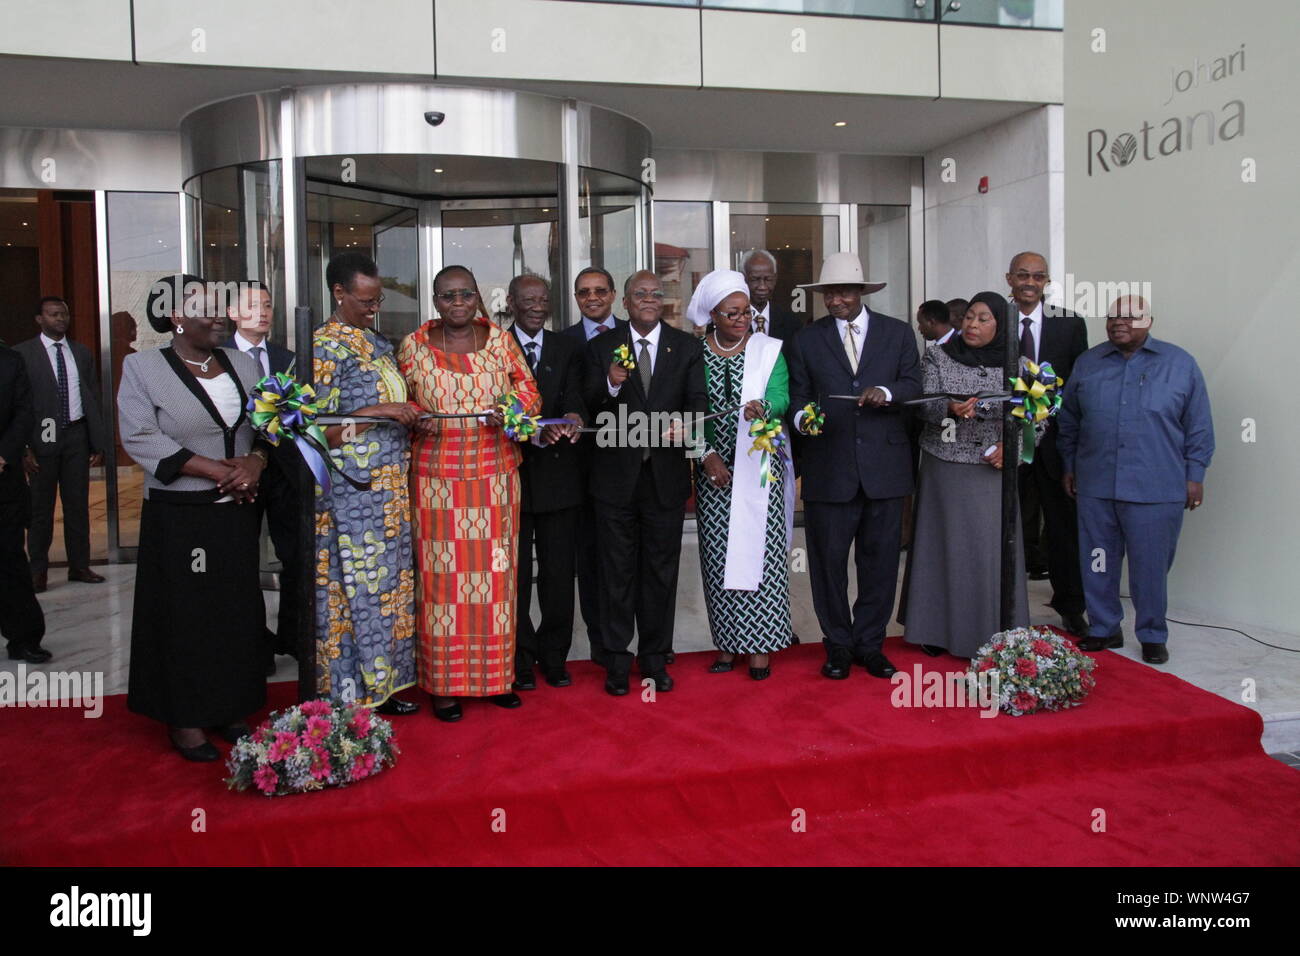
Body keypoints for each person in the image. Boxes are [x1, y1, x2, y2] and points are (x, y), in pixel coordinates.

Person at [117, 275, 268, 761]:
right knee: (186, 616)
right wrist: (216, 471)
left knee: (233, 609)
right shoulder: (142, 368)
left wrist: (256, 462)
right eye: (206, 308)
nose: (220, 317)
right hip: (181, 517)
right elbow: (140, 436)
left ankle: (228, 705)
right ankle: (185, 719)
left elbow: (273, 424)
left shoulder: (244, 365)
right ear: (176, 316)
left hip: (237, 512)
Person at [398, 264, 540, 722]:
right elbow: (399, 399)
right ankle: (443, 685)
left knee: (498, 582)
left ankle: (495, 679)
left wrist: (511, 409)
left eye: (465, 294)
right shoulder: (413, 347)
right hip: (436, 483)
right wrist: (414, 414)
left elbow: (530, 392)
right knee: (442, 587)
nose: (457, 303)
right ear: (435, 301)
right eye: (447, 296)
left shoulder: (501, 341)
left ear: (478, 296)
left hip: (495, 479)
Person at [786, 252, 922, 680]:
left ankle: (870, 644)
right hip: (830, 469)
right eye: (828, 293)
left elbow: (914, 385)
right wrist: (803, 418)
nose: (835, 300)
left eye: (843, 291)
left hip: (885, 469)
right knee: (827, 565)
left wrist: (885, 390)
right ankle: (838, 645)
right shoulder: (807, 340)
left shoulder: (897, 334)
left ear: (861, 293)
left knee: (880, 563)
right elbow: (797, 396)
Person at [1058, 296, 1214, 665]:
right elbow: (1069, 422)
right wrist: (1069, 465)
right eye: (1113, 316)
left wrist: (1195, 475)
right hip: (1095, 484)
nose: (1119, 322)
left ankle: (1152, 633)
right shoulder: (1089, 362)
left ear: (1150, 321)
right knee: (1097, 560)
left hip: (1157, 487)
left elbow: (1199, 426)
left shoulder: (1180, 364)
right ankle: (1104, 627)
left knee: (1150, 566)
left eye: (1130, 316)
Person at [584, 270, 707, 696]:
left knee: (660, 574)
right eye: (641, 294)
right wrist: (610, 384)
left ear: (664, 301)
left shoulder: (686, 347)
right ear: (625, 302)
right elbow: (584, 403)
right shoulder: (601, 347)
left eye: (656, 293)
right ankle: (617, 661)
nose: (649, 299)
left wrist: (687, 425)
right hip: (615, 483)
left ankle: (655, 659)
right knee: (615, 575)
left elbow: (698, 403)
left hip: (665, 481)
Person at [314, 254, 421, 716]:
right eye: (365, 300)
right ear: (339, 293)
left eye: (377, 299)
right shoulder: (322, 347)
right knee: (358, 593)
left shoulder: (377, 344)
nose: (373, 307)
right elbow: (320, 432)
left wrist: (412, 417)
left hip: (391, 495)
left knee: (391, 594)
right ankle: (352, 695)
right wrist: (374, 414)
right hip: (352, 494)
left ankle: (389, 686)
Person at [899, 292, 1029, 657]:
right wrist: (949, 406)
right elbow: (922, 402)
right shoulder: (939, 355)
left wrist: (1013, 447)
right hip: (946, 466)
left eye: (983, 319)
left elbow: (1037, 415)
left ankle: (995, 631)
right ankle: (935, 631)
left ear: (1001, 326)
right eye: (969, 316)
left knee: (988, 554)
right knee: (943, 551)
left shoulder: (1018, 363)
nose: (972, 324)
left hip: (994, 472)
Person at [688, 270, 792, 680]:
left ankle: (761, 647)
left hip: (758, 466)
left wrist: (765, 408)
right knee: (718, 561)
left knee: (761, 559)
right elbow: (687, 412)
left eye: (745, 312)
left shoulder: (768, 350)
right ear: (713, 314)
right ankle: (728, 645)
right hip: (714, 471)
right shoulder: (695, 353)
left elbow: (781, 394)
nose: (740, 319)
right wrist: (706, 456)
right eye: (731, 313)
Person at [507, 275, 587, 689]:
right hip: (511, 480)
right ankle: (520, 659)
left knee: (558, 576)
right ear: (511, 302)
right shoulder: (494, 347)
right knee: (515, 578)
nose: (537, 306)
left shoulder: (568, 346)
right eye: (528, 300)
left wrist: (574, 415)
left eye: (543, 299)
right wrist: (529, 429)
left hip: (559, 481)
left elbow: (577, 395)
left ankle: (555, 656)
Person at [1006, 251, 1089, 635]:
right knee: (1006, 526)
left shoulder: (1069, 323)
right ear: (1009, 278)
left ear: (1046, 281)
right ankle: (1003, 607)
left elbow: (1078, 384)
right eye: (1023, 274)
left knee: (1061, 528)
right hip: (1004, 443)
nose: (1029, 282)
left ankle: (1071, 606)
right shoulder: (993, 318)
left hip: (1055, 445)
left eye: (1038, 276)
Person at [224, 280, 302, 663]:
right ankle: (255, 644)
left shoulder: (288, 357)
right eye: (254, 305)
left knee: (296, 556)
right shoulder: (216, 357)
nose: (264, 312)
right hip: (238, 471)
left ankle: (295, 637)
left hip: (284, 472)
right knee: (240, 559)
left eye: (269, 305)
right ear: (233, 313)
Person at [14, 297, 108, 592]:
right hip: (41, 437)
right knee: (41, 509)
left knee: (78, 506)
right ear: (39, 319)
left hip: (76, 435)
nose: (61, 319)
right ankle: (37, 571)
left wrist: (97, 441)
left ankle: (79, 566)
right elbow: (18, 404)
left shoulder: (80, 352)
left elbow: (92, 397)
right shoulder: (23, 354)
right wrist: (23, 448)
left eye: (64, 314)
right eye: (54, 315)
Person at [562, 266, 628, 665]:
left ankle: (638, 641)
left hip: (626, 466)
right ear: (576, 297)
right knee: (589, 561)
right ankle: (601, 644)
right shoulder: (564, 342)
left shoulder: (633, 335)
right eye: (584, 292)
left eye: (600, 291)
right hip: (578, 470)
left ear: (614, 293)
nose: (592, 298)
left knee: (624, 561)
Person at [0, 346, 47, 663]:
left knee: (9, 557)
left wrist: (4, 454)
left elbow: (24, 412)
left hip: (3, 475)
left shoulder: (9, 360)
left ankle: (24, 638)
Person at [740, 249, 802, 340]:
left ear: (775, 279)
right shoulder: (733, 320)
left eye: (768, 279)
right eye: (755, 279)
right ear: (743, 279)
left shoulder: (791, 322)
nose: (762, 286)